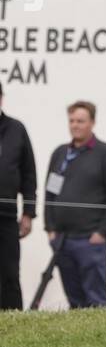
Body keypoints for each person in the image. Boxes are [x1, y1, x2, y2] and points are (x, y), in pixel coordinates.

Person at [44, 101, 106, 308]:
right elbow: (50, 192)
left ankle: (100, 339)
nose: (75, 125)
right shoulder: (60, 154)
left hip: (91, 240)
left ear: (92, 123)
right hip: (63, 240)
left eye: (80, 121)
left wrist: (103, 231)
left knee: (96, 299)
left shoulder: (105, 153)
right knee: (75, 300)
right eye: (71, 121)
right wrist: (50, 229)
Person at [0, 82, 37, 309]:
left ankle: (13, 321)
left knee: (9, 273)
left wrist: (29, 213)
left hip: (6, 218)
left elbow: (29, 174)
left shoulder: (16, 129)